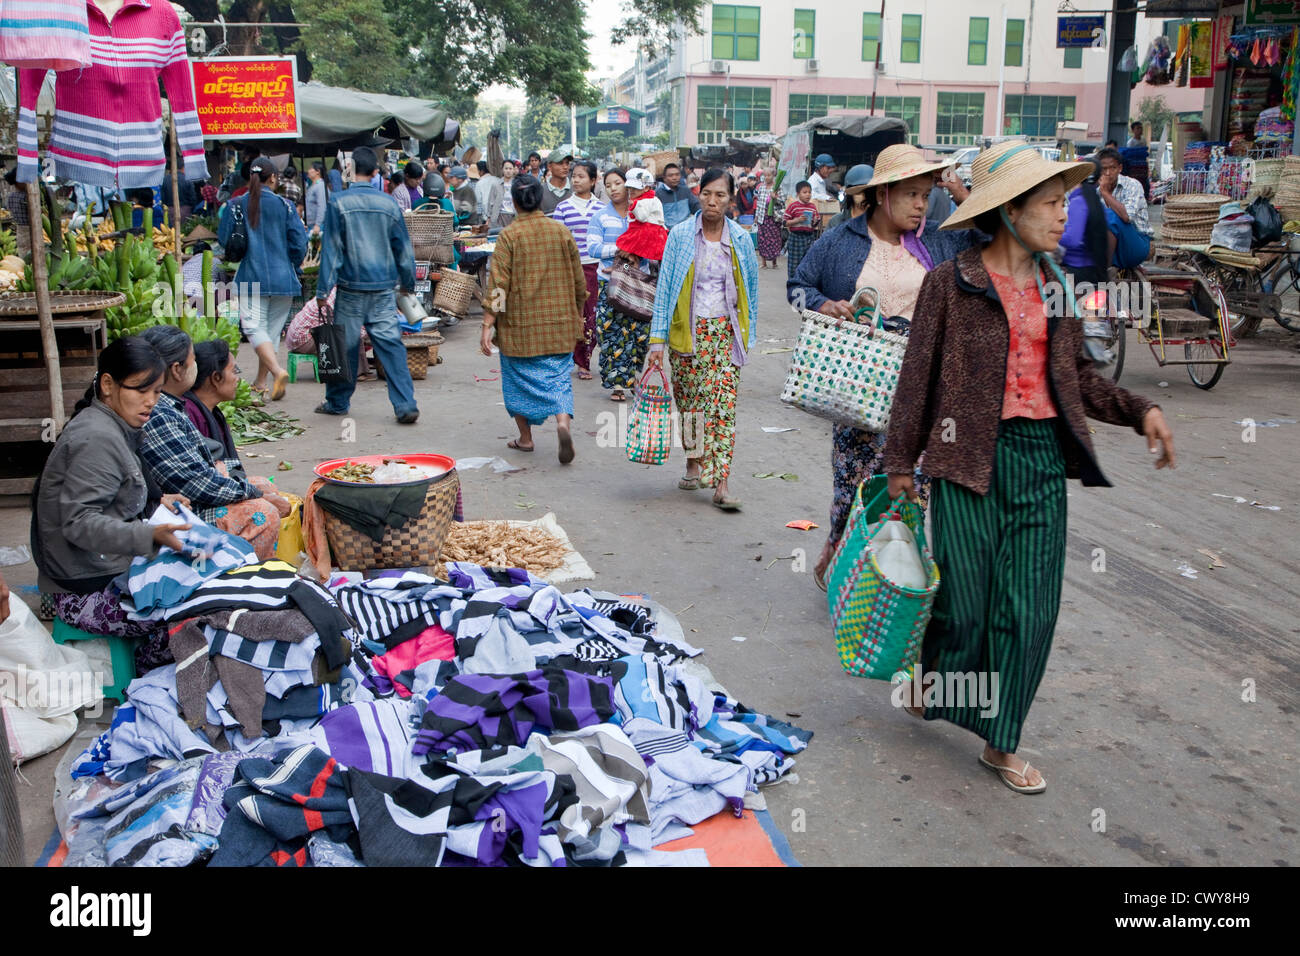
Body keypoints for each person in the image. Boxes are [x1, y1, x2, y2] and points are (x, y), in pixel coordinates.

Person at [882, 140, 1175, 794]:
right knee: (966, 603)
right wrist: (901, 460)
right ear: (1009, 211)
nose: (1061, 219)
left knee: (1031, 608)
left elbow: (1078, 377)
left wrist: (1141, 410)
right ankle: (944, 679)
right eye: (1048, 205)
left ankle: (1001, 739)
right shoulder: (950, 284)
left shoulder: (1058, 288)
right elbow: (916, 380)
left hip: (1039, 460)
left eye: (1063, 205)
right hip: (965, 461)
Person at [787, 144, 977, 590]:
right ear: (883, 194)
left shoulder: (939, 239)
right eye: (911, 194)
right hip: (858, 376)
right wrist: (824, 303)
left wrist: (959, 190)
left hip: (921, 381)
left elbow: (989, 236)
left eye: (926, 194)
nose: (921, 204)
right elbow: (797, 287)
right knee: (854, 482)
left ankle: (885, 580)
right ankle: (840, 546)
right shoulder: (841, 239)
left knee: (911, 483)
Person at [32, 337, 190, 671]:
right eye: (139, 390)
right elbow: (79, 523)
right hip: (81, 591)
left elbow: (110, 497)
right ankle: (146, 678)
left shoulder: (112, 426)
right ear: (107, 385)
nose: (150, 402)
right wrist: (148, 536)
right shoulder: (97, 437)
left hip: (99, 570)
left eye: (157, 391)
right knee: (197, 611)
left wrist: (157, 503)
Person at [648, 169, 759, 511]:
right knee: (691, 406)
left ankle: (721, 483)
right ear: (699, 194)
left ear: (730, 199)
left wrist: (746, 333)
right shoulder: (681, 236)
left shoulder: (741, 239)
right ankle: (694, 460)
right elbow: (665, 287)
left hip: (724, 334)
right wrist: (657, 341)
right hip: (688, 332)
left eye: (721, 195)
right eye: (708, 194)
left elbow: (751, 290)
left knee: (722, 408)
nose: (713, 201)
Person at [138, 325, 289, 561]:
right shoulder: (159, 412)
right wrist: (254, 494)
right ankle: (241, 581)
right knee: (263, 512)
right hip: (171, 514)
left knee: (262, 489)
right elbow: (196, 483)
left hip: (181, 499)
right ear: (177, 370)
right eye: (192, 361)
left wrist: (253, 489)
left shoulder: (173, 406)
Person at [480, 175, 586, 464]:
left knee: (516, 383)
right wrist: (578, 314)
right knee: (559, 379)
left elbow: (499, 286)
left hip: (520, 330)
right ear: (540, 200)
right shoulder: (561, 231)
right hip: (559, 324)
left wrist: (488, 323)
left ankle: (526, 439)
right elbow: (579, 281)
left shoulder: (509, 236)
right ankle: (562, 421)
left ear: (514, 202)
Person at [314, 145, 420, 424]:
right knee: (391, 347)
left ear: (351, 171)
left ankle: (337, 402)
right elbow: (404, 252)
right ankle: (406, 404)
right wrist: (407, 285)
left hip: (350, 289)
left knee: (345, 348)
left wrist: (323, 291)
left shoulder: (338, 202)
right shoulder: (390, 205)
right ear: (375, 173)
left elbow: (332, 250)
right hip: (383, 289)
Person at [218, 156, 308, 401]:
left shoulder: (235, 204)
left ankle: (277, 372)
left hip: (250, 276)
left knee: (256, 330)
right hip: (284, 280)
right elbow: (300, 244)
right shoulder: (286, 206)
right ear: (273, 178)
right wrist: (291, 263)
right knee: (268, 333)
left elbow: (225, 240)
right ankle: (260, 382)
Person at [588, 167, 650, 402]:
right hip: (609, 283)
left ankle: (634, 381)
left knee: (638, 333)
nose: (613, 188)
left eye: (617, 183)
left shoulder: (642, 214)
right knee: (611, 333)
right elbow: (593, 248)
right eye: (608, 185)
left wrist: (633, 255)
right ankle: (617, 385)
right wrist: (622, 250)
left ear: (628, 184)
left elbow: (655, 244)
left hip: (638, 282)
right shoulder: (600, 216)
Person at [552, 160, 604, 381]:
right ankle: (569, 359)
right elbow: (557, 241)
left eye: (581, 176)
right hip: (570, 269)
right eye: (574, 176)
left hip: (595, 267)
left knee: (590, 316)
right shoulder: (562, 208)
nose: (576, 180)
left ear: (593, 181)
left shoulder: (602, 209)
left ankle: (585, 361)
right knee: (571, 315)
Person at [182, 339, 246, 478]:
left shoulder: (213, 414)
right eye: (234, 371)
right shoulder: (187, 414)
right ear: (216, 377)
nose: (237, 378)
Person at [1060, 159, 1112, 289]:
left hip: (1076, 270)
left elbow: (1072, 240)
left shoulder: (1078, 202)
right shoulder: (1096, 203)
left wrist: (1050, 235)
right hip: (1092, 268)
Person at [1095, 145, 1153, 261]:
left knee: (1110, 216)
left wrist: (1106, 193)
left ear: (1120, 168)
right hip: (1114, 245)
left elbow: (1127, 216)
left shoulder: (1132, 185)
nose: (1108, 173)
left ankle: (1104, 268)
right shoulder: (1097, 192)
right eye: (1103, 169)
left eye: (1112, 168)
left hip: (1138, 241)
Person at [783, 181, 821, 278]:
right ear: (798, 194)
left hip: (809, 237)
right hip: (795, 237)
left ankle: (805, 281)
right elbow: (784, 222)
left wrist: (815, 221)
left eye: (809, 192)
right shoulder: (793, 206)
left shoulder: (812, 207)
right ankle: (793, 281)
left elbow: (815, 224)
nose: (808, 194)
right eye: (805, 192)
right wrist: (797, 220)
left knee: (808, 261)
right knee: (794, 263)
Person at [825, 163, 873, 230]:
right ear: (850, 193)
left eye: (868, 191)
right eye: (859, 191)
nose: (864, 195)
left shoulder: (881, 222)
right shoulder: (836, 222)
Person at [754, 166, 784, 268]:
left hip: (773, 218)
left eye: (769, 175)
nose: (767, 177)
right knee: (762, 239)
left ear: (773, 176)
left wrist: (775, 198)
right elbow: (759, 203)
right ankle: (763, 263)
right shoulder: (761, 187)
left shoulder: (777, 188)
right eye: (765, 175)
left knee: (774, 239)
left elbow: (782, 203)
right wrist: (756, 216)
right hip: (762, 218)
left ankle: (774, 263)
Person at [656, 162, 699, 230]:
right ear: (664, 178)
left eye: (677, 175)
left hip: (686, 230)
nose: (674, 178)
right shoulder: (658, 194)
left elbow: (696, 206)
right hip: (667, 232)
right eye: (671, 175)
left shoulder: (685, 191)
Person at [541, 148, 574, 214]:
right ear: (549, 167)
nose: (565, 167)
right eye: (560, 163)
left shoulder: (576, 190)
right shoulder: (539, 192)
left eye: (567, 163)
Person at [475, 160, 505, 226]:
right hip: (500, 216)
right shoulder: (498, 180)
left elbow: (478, 202)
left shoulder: (479, 184)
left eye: (477, 170)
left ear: (481, 171)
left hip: (486, 219)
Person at [305, 161, 328, 235]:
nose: (308, 171)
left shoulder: (320, 186)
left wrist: (318, 224)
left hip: (317, 226)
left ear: (318, 171)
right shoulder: (312, 186)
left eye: (310, 169)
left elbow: (322, 206)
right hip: (311, 224)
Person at [497, 158, 518, 227]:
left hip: (514, 215)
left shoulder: (517, 184)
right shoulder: (496, 184)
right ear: (502, 169)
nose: (508, 171)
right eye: (506, 168)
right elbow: (491, 202)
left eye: (510, 168)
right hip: (500, 216)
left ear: (514, 170)